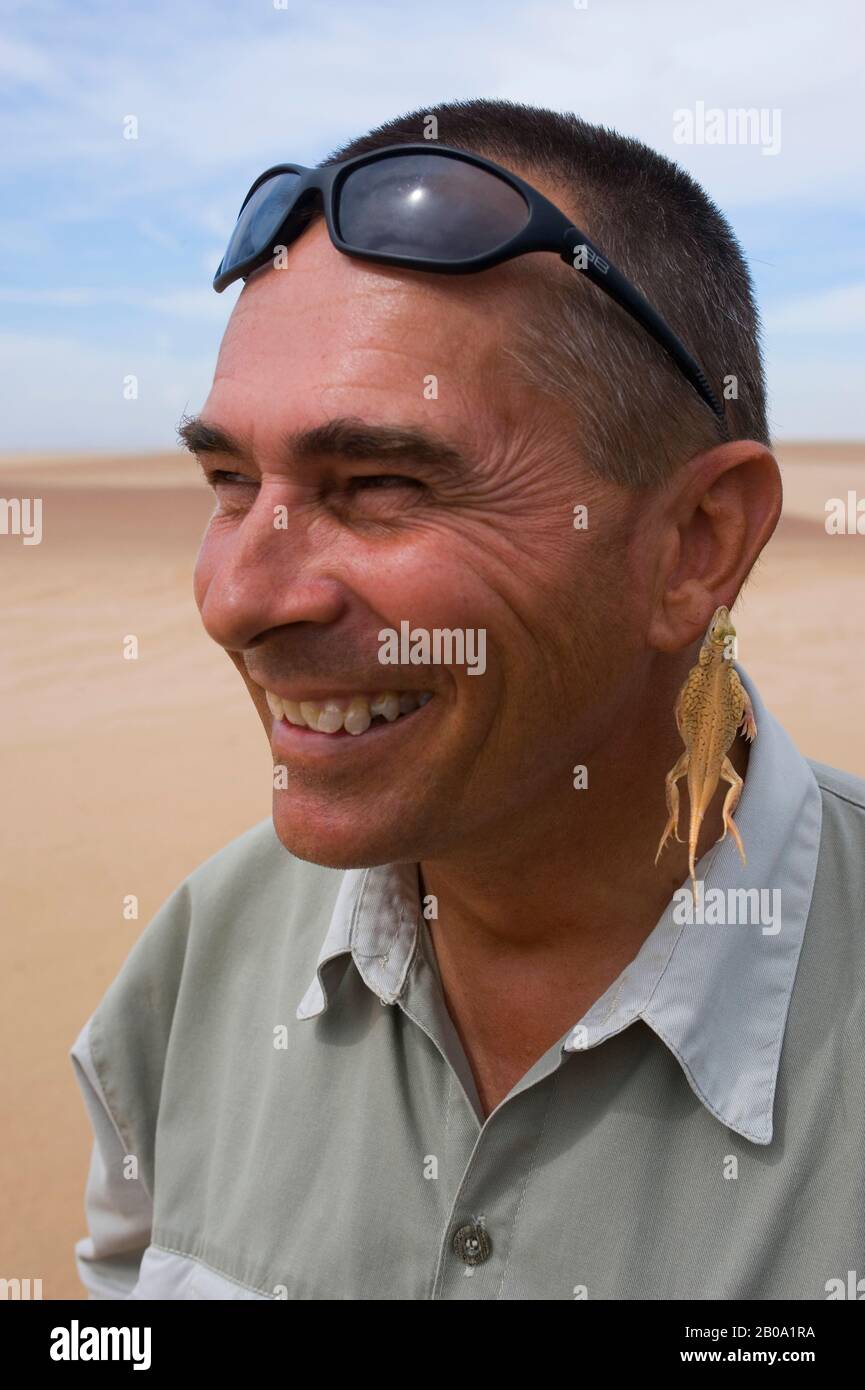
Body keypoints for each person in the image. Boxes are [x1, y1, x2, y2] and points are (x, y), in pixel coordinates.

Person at [70, 98, 865, 1300]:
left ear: (696, 543)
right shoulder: (202, 957)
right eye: (230, 481)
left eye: (380, 484)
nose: (238, 599)